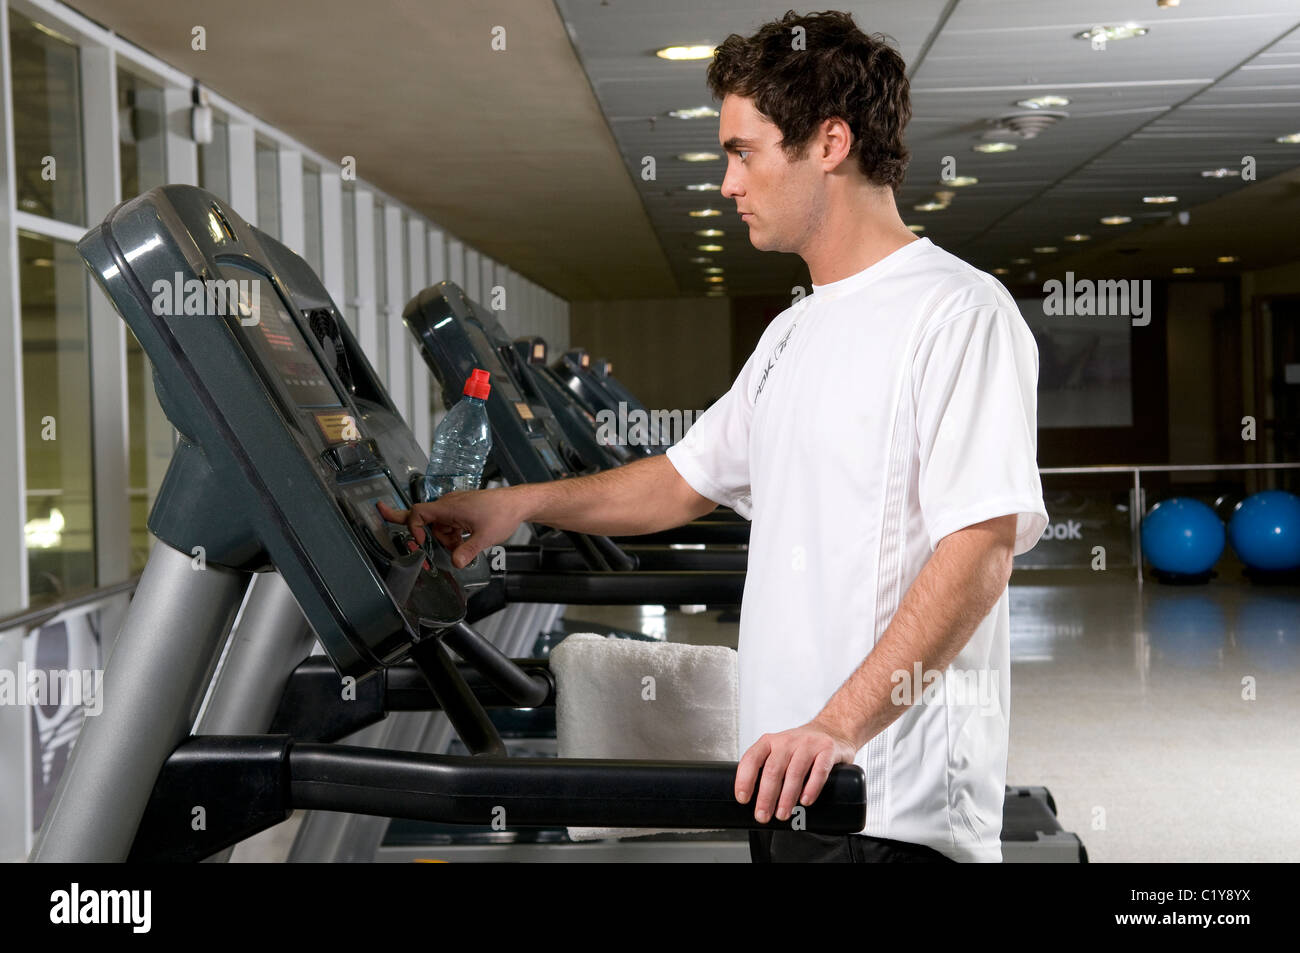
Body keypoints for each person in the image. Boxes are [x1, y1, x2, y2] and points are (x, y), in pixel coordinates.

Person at [380, 9, 1048, 863]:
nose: (727, 184)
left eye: (743, 152)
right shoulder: (791, 334)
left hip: (887, 806)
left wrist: (836, 727)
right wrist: (518, 504)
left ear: (830, 144)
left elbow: (979, 550)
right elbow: (679, 480)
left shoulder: (960, 314)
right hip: (784, 783)